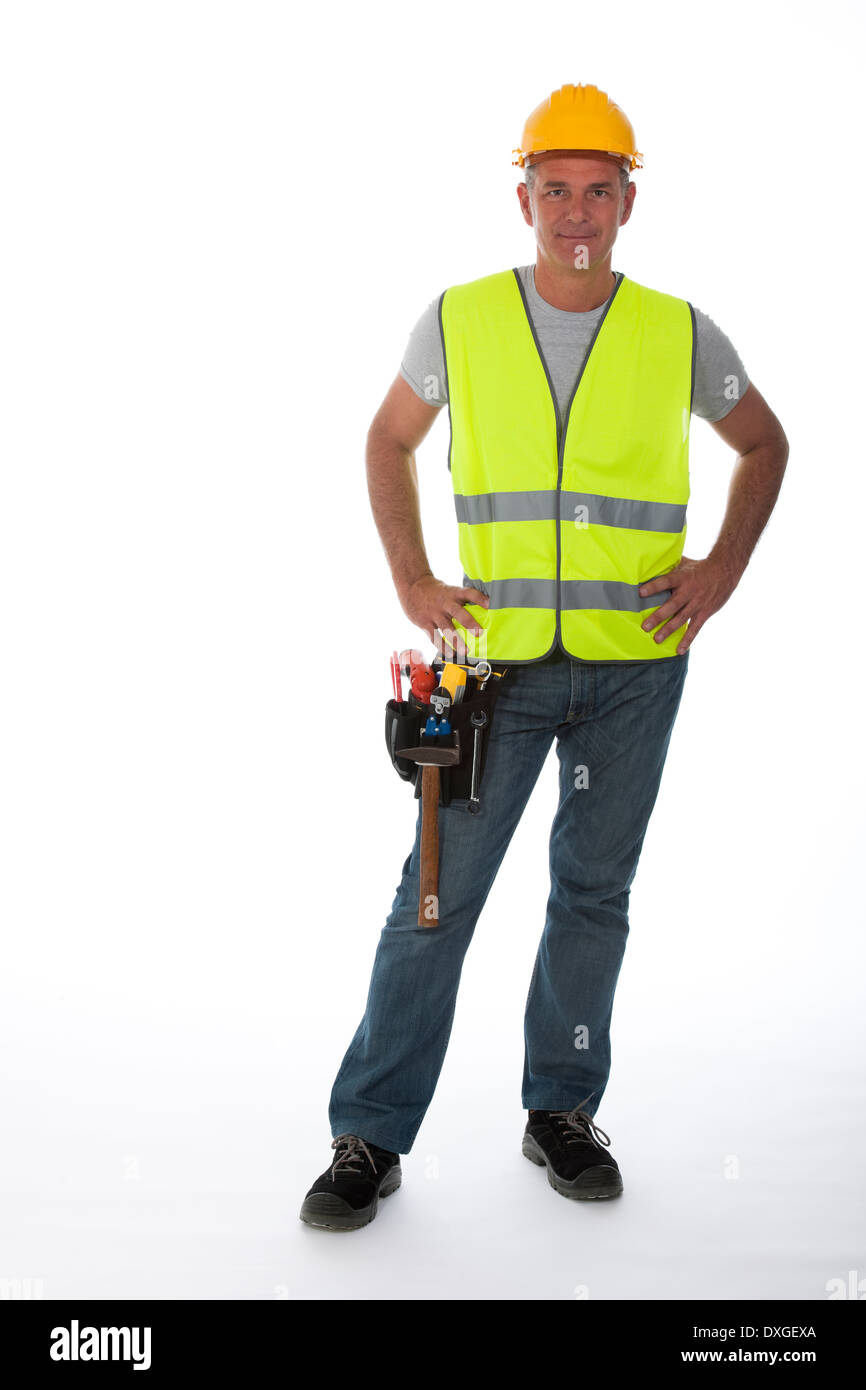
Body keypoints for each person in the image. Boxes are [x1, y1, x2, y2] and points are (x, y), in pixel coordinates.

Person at [299, 82, 788, 1231]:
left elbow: (762, 440)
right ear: (522, 197)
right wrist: (411, 580)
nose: (576, 212)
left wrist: (720, 568)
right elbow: (387, 438)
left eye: (597, 191)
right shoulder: (460, 319)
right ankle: (368, 1131)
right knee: (432, 898)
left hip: (631, 665)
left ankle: (559, 1110)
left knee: (590, 894)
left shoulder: (677, 331)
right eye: (554, 190)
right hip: (493, 669)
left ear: (628, 201)